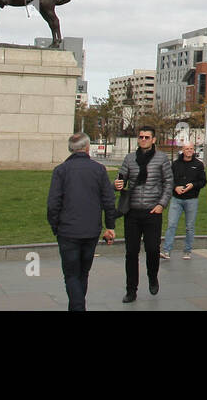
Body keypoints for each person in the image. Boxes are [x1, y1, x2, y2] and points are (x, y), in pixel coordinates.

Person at [47, 132, 117, 311]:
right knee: (82, 273)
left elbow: (53, 204)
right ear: (87, 148)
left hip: (68, 230)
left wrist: (56, 227)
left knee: (71, 274)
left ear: (70, 149)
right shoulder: (99, 170)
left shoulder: (61, 171)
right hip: (90, 230)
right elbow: (108, 201)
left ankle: (77, 307)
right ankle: (77, 307)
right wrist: (110, 226)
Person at [114, 125, 173, 302]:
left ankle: (152, 276)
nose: (143, 140)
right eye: (141, 137)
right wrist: (118, 183)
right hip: (132, 211)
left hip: (152, 211)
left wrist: (162, 204)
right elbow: (121, 177)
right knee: (131, 252)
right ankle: (131, 290)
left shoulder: (162, 158)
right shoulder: (130, 158)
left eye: (147, 137)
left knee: (152, 249)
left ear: (154, 139)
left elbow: (169, 183)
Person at [162, 141, 205, 260]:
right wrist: (175, 187)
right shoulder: (175, 164)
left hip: (192, 199)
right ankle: (166, 250)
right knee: (171, 224)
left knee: (190, 226)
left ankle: (187, 250)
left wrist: (193, 185)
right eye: (187, 149)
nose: (189, 151)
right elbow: (169, 179)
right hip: (177, 199)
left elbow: (203, 181)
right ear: (183, 150)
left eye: (191, 148)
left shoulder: (198, 165)